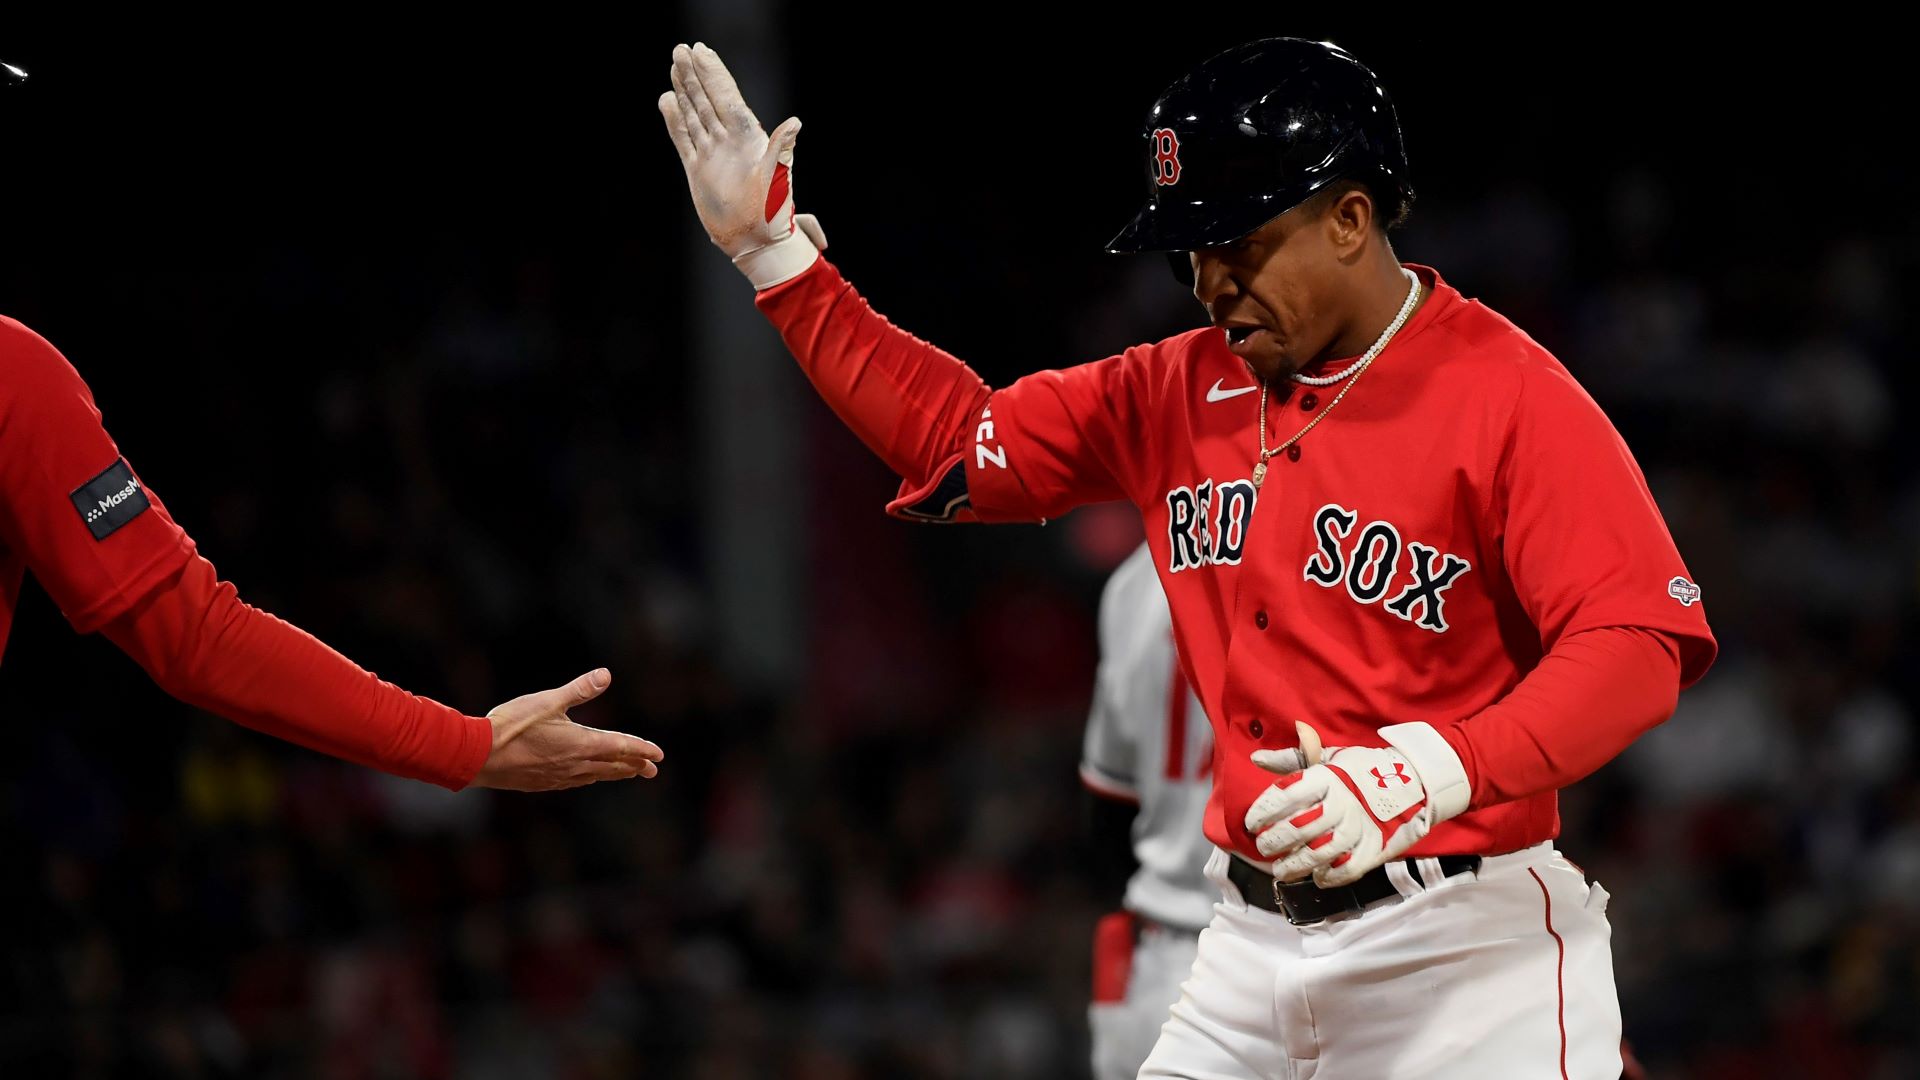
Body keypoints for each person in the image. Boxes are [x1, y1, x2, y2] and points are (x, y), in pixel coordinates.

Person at [661, 36, 1714, 1078]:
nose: (1209, 282)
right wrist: (778, 262)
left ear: (1351, 219)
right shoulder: (1174, 389)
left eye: (1240, 243)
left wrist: (1437, 769)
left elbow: (1638, 645)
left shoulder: (1510, 395)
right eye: (1191, 252)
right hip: (1249, 947)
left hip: (1465, 948)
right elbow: (955, 440)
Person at [3, 60, 661, 795]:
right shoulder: (11, 373)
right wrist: (464, 746)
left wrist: (461, 745)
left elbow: (194, 638)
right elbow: (193, 639)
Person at [1081, 542, 1214, 1080]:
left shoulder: (1133, 582)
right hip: (1290, 941)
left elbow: (1107, 810)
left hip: (1163, 957)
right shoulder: (1328, 549)